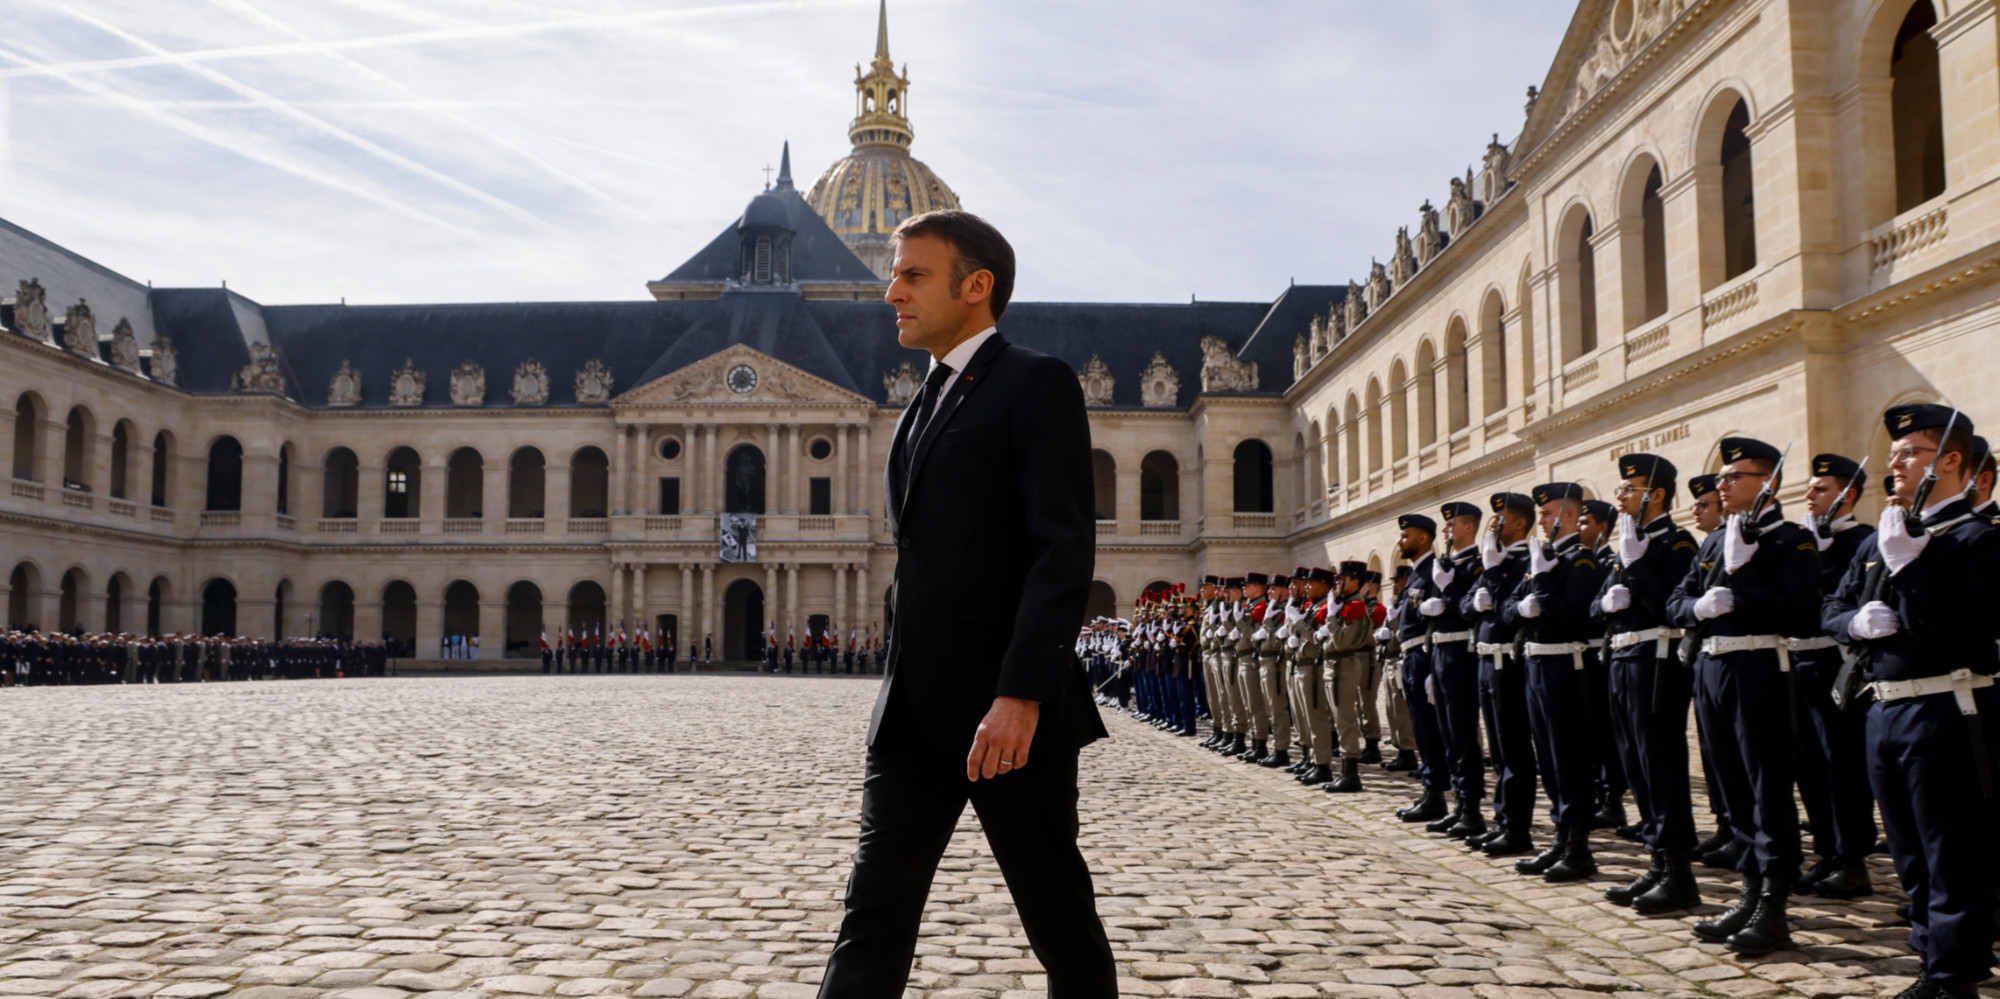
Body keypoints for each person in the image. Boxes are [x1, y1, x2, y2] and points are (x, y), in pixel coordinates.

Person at [818, 210, 1114, 999]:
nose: (891, 292)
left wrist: (1020, 694)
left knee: (1060, 923)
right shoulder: (921, 403)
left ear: (976, 287)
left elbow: (1062, 551)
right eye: (895, 274)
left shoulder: (1033, 382)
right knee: (871, 917)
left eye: (913, 274)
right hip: (913, 717)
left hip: (1008, 718)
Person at [1825, 404, 1997, 999]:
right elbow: (1833, 609)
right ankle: (1931, 959)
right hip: (1886, 708)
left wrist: (1909, 569)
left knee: (1951, 848)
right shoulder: (1884, 535)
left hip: (1948, 709)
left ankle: (1955, 978)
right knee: (1907, 850)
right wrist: (1854, 623)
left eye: (1910, 452)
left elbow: (1959, 629)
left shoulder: (1978, 539)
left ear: (1951, 461)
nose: (1894, 461)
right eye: (1894, 452)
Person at [1667, 437, 1820, 956]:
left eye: (1734, 477)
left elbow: (1800, 612)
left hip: (1759, 667)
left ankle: (1774, 905)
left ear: (1769, 483)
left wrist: (1740, 579)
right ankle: (1749, 891)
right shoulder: (1713, 542)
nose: (1721, 485)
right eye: (1722, 477)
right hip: (1712, 666)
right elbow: (1676, 601)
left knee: (1765, 787)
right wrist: (1700, 609)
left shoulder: (1790, 540)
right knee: (1731, 788)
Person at [1593, 454, 1701, 912]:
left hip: (1655, 660)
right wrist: (1608, 601)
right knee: (1635, 764)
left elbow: (1670, 607)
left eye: (1628, 488)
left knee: (1660, 765)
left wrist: (1635, 569)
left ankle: (1678, 871)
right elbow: (1596, 608)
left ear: (1655, 495)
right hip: (1623, 657)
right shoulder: (1628, 542)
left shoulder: (1677, 545)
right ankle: (1657, 862)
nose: (1619, 496)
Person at [1505, 482, 1609, 883]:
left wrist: (1543, 588)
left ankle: (1579, 847)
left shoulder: (1581, 562)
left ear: (1567, 515)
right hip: (1536, 666)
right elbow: (1509, 611)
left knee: (1570, 760)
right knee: (1548, 761)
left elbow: (1575, 619)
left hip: (1567, 668)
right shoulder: (1542, 558)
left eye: (1546, 514)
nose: (1541, 521)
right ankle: (1561, 838)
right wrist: (1524, 603)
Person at [1794, 452, 1877, 899]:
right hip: (1800, 661)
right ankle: (1827, 849)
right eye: (1810, 487)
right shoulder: (1803, 540)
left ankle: (1853, 858)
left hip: (1836, 661)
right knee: (1808, 763)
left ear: (1849, 494)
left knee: (1841, 762)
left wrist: (1817, 561)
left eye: (1821, 488)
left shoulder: (1862, 541)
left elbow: (1841, 602)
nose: (1810, 494)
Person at [1463, 492, 1539, 857]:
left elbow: (1511, 609)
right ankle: (1503, 821)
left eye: (1500, 519)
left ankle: (1517, 827)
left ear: (1520, 523)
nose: (1494, 525)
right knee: (1498, 752)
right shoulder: (1494, 560)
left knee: (1514, 750)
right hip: (1484, 661)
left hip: (1509, 662)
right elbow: (1467, 605)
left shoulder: (1527, 560)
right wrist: (1476, 598)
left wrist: (1492, 578)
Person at [1415, 501, 1486, 839]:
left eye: (1451, 524)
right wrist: (1431, 666)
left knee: (1462, 734)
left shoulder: (1477, 564)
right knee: (1447, 736)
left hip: (1462, 652)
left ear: (1468, 528)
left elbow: (1469, 610)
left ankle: (1471, 808)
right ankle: (1459, 803)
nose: (1445, 530)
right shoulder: (1445, 564)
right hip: (1441, 652)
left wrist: (1447, 589)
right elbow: (1434, 617)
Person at [1388, 513, 1451, 823]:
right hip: (1412, 657)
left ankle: (1436, 792)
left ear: (1423, 538)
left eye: (1405, 535)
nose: (1400, 541)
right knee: (1422, 729)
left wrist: (1431, 666)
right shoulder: (1416, 574)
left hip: (1426, 656)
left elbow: (1439, 616)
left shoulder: (1433, 570)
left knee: (1431, 729)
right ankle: (1432, 791)